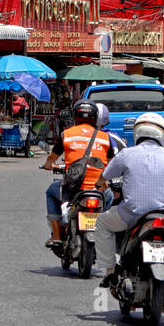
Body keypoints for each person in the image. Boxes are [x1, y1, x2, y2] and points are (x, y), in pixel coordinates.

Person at [94, 113, 164, 287]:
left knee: (102, 223)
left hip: (131, 215)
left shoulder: (126, 154)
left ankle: (110, 271)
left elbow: (104, 177)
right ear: (162, 134)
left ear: (137, 132)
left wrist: (100, 184)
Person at [40, 101, 115, 248]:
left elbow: (52, 158)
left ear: (75, 116)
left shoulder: (67, 135)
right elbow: (113, 164)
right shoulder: (105, 138)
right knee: (111, 195)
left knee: (51, 192)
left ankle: (56, 235)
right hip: (98, 190)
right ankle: (102, 228)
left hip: (73, 189)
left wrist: (49, 165)